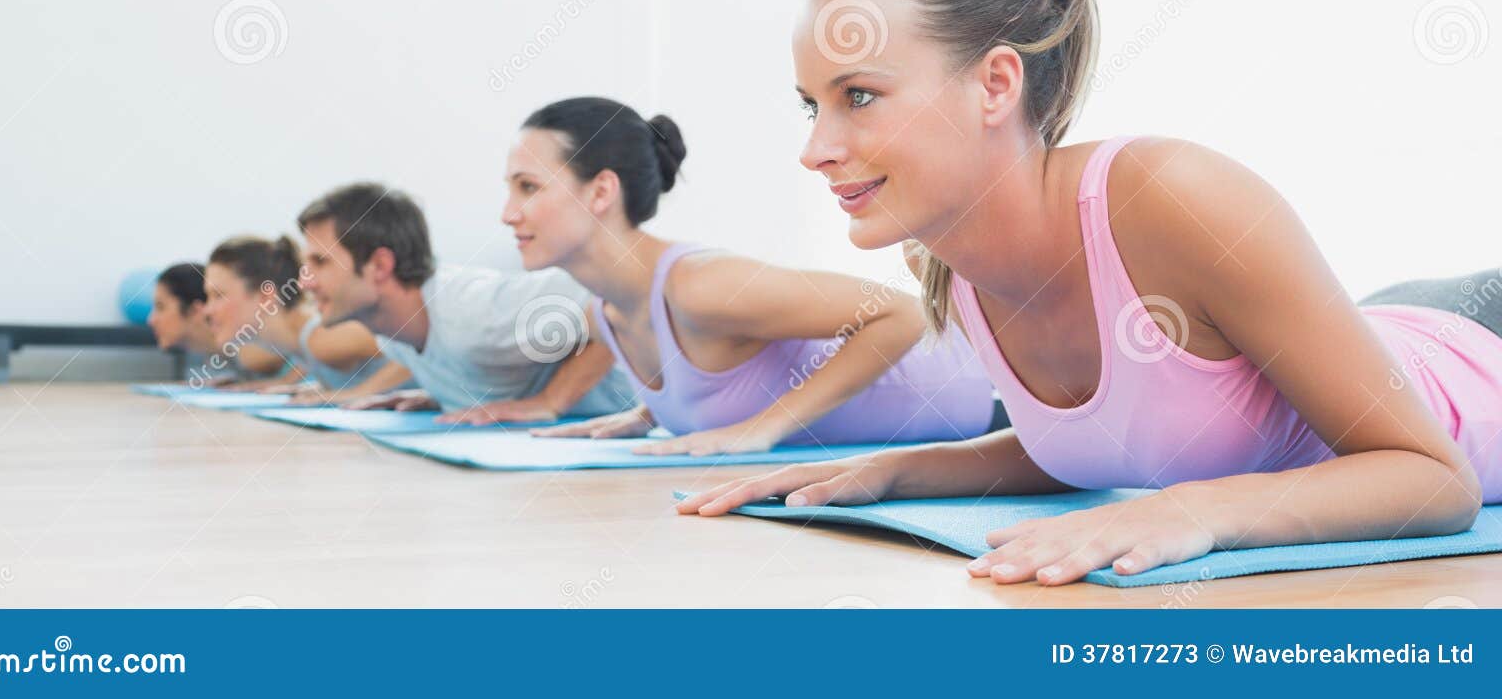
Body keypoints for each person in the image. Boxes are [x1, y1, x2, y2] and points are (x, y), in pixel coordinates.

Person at [678, 0, 1502, 586]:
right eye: (809, 105)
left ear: (995, 84)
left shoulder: (1170, 194)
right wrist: (897, 469)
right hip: (1390, 331)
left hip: (1475, 349)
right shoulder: (948, 262)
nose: (816, 147)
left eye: (858, 95)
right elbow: (1118, 434)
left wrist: (1192, 511)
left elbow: (1432, 478)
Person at [503, 97, 998, 455]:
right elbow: (720, 376)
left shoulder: (699, 285)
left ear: (601, 191)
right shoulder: (606, 312)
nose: (508, 214)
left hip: (973, 390)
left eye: (528, 187)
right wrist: (654, 412)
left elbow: (903, 314)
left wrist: (763, 428)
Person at [295, 183, 635, 423]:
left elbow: (617, 296)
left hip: (638, 431)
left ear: (381, 266)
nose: (304, 281)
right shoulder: (391, 331)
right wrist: (450, 394)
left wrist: (550, 401)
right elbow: (459, 357)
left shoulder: (476, 312)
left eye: (320, 262)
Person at [203, 236, 408, 402]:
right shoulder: (302, 345)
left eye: (218, 295)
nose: (207, 311)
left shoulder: (321, 339)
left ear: (266, 297)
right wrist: (295, 385)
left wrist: (358, 393)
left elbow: (410, 349)